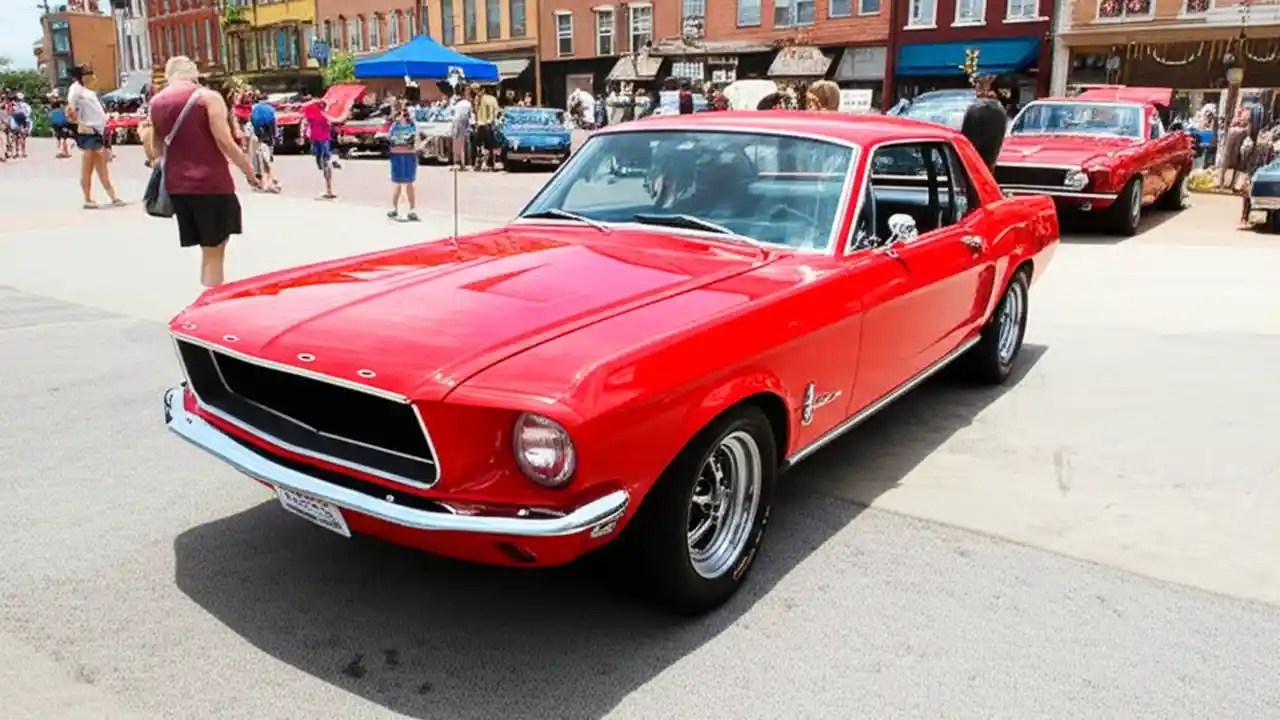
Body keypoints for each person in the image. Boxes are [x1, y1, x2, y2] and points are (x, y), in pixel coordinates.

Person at [147, 56, 258, 288]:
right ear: (194, 74)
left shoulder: (156, 103)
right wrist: (249, 170)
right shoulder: (207, 98)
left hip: (177, 187)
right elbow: (224, 141)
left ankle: (208, 295)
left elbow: (156, 148)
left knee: (207, 249)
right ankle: (210, 303)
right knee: (215, 249)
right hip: (210, 182)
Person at [66, 64, 124, 209]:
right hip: (88, 132)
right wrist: (79, 123)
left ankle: (113, 196)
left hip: (98, 131)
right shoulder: (76, 90)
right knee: (88, 167)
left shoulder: (89, 92)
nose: (90, 76)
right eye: (87, 74)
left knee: (102, 165)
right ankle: (87, 198)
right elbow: (70, 111)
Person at [301, 95, 348, 199]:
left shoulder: (313, 112)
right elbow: (338, 119)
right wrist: (347, 108)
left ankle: (329, 189)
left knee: (324, 163)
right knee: (323, 163)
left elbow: (304, 110)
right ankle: (332, 164)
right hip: (321, 140)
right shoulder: (322, 114)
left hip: (319, 140)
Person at [385, 106, 421, 221]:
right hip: (404, 154)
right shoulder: (408, 126)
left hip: (403, 155)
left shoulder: (397, 126)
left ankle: (409, 209)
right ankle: (400, 209)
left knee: (405, 182)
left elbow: (390, 138)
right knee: (400, 182)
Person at [249, 92, 281, 192]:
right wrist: (275, 135)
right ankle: (268, 182)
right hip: (268, 137)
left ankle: (265, 182)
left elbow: (252, 122)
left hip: (257, 136)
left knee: (259, 160)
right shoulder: (270, 109)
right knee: (267, 160)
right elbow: (273, 123)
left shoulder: (254, 108)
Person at [472, 85, 500, 171]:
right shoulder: (492, 99)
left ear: (483, 90)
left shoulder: (477, 98)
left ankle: (481, 163)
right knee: (489, 145)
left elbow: (475, 111)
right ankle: (488, 163)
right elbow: (496, 111)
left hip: (480, 124)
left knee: (480, 145)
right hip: (488, 124)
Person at [449, 86, 473, 171]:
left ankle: (457, 162)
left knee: (456, 143)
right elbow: (470, 115)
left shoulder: (455, 103)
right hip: (465, 122)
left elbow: (451, 113)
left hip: (456, 123)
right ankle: (467, 163)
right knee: (467, 143)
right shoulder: (468, 103)